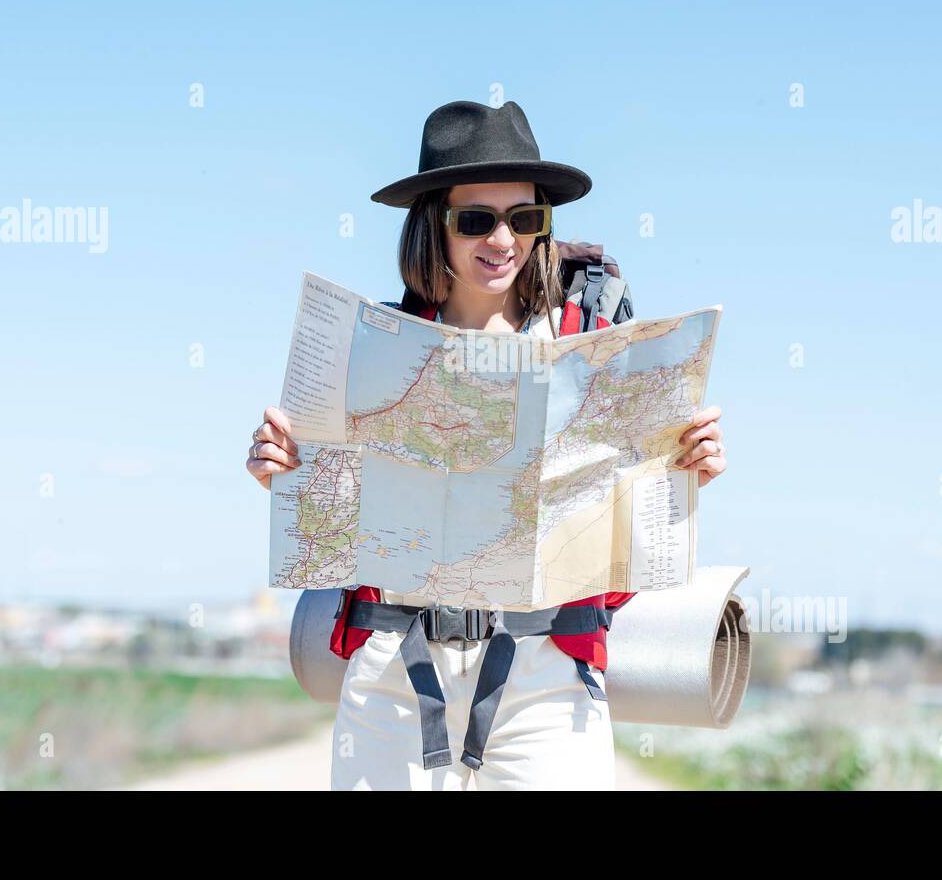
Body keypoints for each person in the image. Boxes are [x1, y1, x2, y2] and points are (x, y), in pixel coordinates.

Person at [246, 100, 726, 790]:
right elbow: (333, 527)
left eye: (525, 218)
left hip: (547, 674)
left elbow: (626, 541)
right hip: (393, 673)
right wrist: (286, 474)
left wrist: (683, 473)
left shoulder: (588, 345)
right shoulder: (371, 351)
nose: (503, 238)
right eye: (477, 219)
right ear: (432, 226)